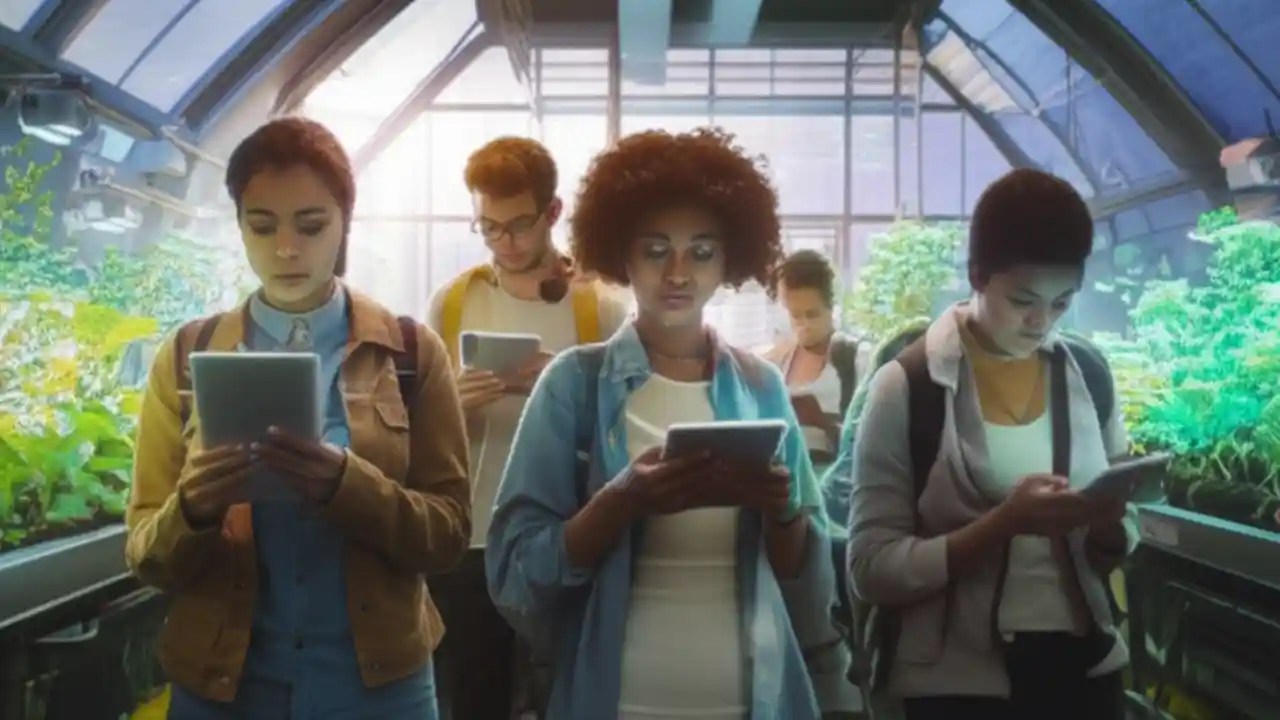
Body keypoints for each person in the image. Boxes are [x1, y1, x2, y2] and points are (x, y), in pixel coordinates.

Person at [486, 127, 840, 719]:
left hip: (750, 701)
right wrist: (619, 502)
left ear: (728, 260)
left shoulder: (760, 387)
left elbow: (805, 585)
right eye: (656, 250)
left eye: (702, 252)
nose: (678, 272)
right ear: (621, 256)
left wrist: (781, 510)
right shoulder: (574, 385)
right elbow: (515, 574)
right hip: (617, 702)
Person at [124, 117, 471, 720]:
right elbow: (145, 554)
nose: (287, 249)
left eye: (312, 226)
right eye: (262, 226)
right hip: (224, 682)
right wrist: (195, 509)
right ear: (239, 227)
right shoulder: (185, 357)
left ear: (343, 225)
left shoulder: (410, 353)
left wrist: (349, 488)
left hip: (379, 683)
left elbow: (449, 534)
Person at [846, 168, 1136, 720]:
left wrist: (1108, 526)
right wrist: (1003, 523)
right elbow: (870, 567)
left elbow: (1124, 526)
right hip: (957, 687)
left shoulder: (1088, 376)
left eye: (1061, 302)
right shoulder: (907, 387)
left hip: (1084, 669)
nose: (1040, 321)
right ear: (978, 275)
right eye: (1023, 299)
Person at [425, 136, 629, 719]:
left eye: (517, 224)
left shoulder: (600, 307)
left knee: (567, 694)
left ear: (553, 213)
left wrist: (562, 389)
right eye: (488, 227)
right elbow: (420, 431)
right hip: (471, 537)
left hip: (566, 534)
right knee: (473, 699)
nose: (505, 243)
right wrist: (451, 406)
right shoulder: (454, 302)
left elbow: (621, 430)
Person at [764, 249, 868, 470]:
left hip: (834, 486)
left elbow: (873, 446)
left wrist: (821, 422)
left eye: (812, 314)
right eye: (795, 315)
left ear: (831, 307)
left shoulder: (856, 359)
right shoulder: (777, 362)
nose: (804, 325)